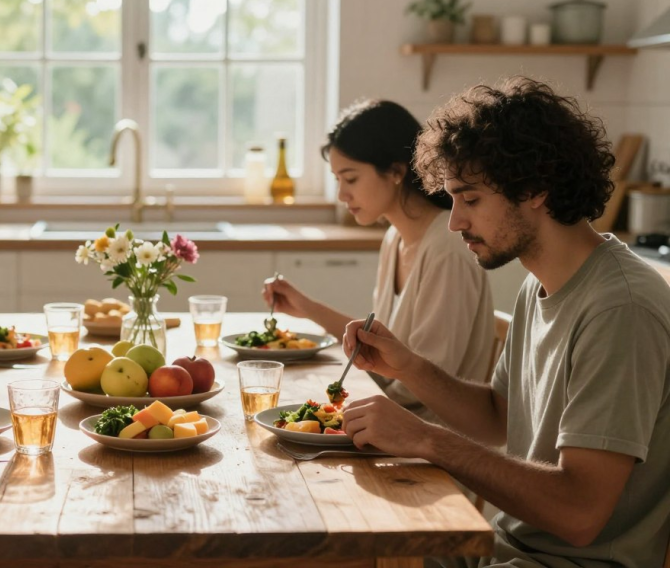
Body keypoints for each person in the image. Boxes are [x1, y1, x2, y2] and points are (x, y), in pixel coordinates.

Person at [339, 78, 670, 568]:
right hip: (501, 548)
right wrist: (408, 366)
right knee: (348, 539)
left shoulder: (620, 308)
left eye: (469, 199)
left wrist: (425, 439)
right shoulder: (540, 286)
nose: (454, 222)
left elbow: (580, 513)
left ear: (535, 187)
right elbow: (497, 417)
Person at [263, 99, 493, 423]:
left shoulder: (447, 249)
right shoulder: (395, 237)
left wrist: (342, 411)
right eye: (337, 180)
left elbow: (420, 387)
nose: (342, 195)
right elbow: (383, 349)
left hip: (432, 439)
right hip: (399, 421)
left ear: (396, 171)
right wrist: (306, 308)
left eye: (351, 178)